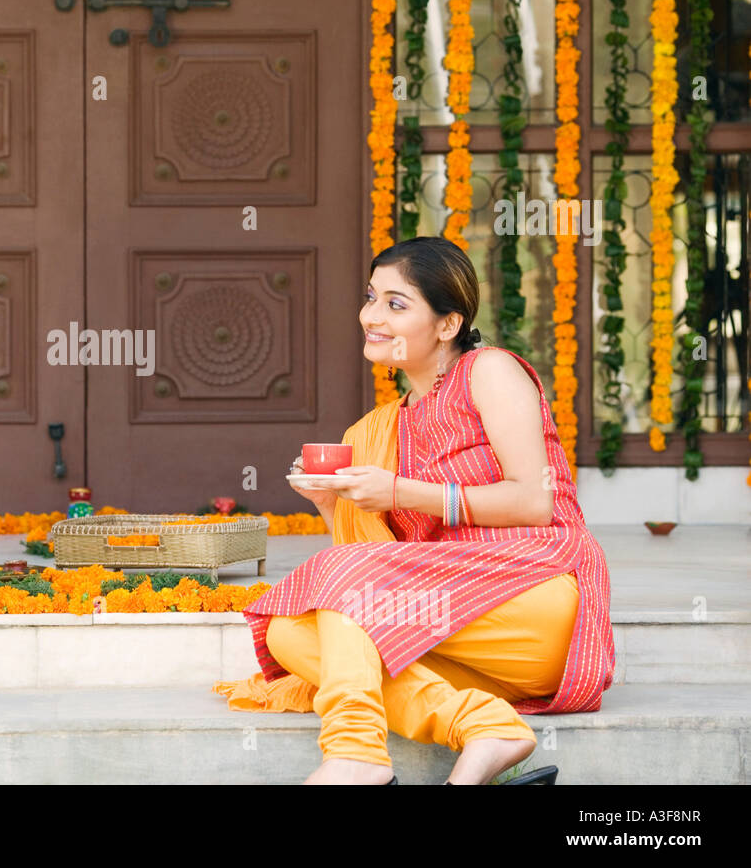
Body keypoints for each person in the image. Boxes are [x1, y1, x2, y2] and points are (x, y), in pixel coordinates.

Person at [213, 237, 615, 785]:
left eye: (396, 304)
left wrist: (401, 491)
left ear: (448, 324)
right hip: (449, 622)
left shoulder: (488, 371)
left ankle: (355, 754)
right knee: (288, 631)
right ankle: (482, 724)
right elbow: (368, 566)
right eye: (371, 297)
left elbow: (533, 500)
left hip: (533, 597)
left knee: (333, 594)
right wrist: (333, 506)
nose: (372, 316)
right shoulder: (377, 428)